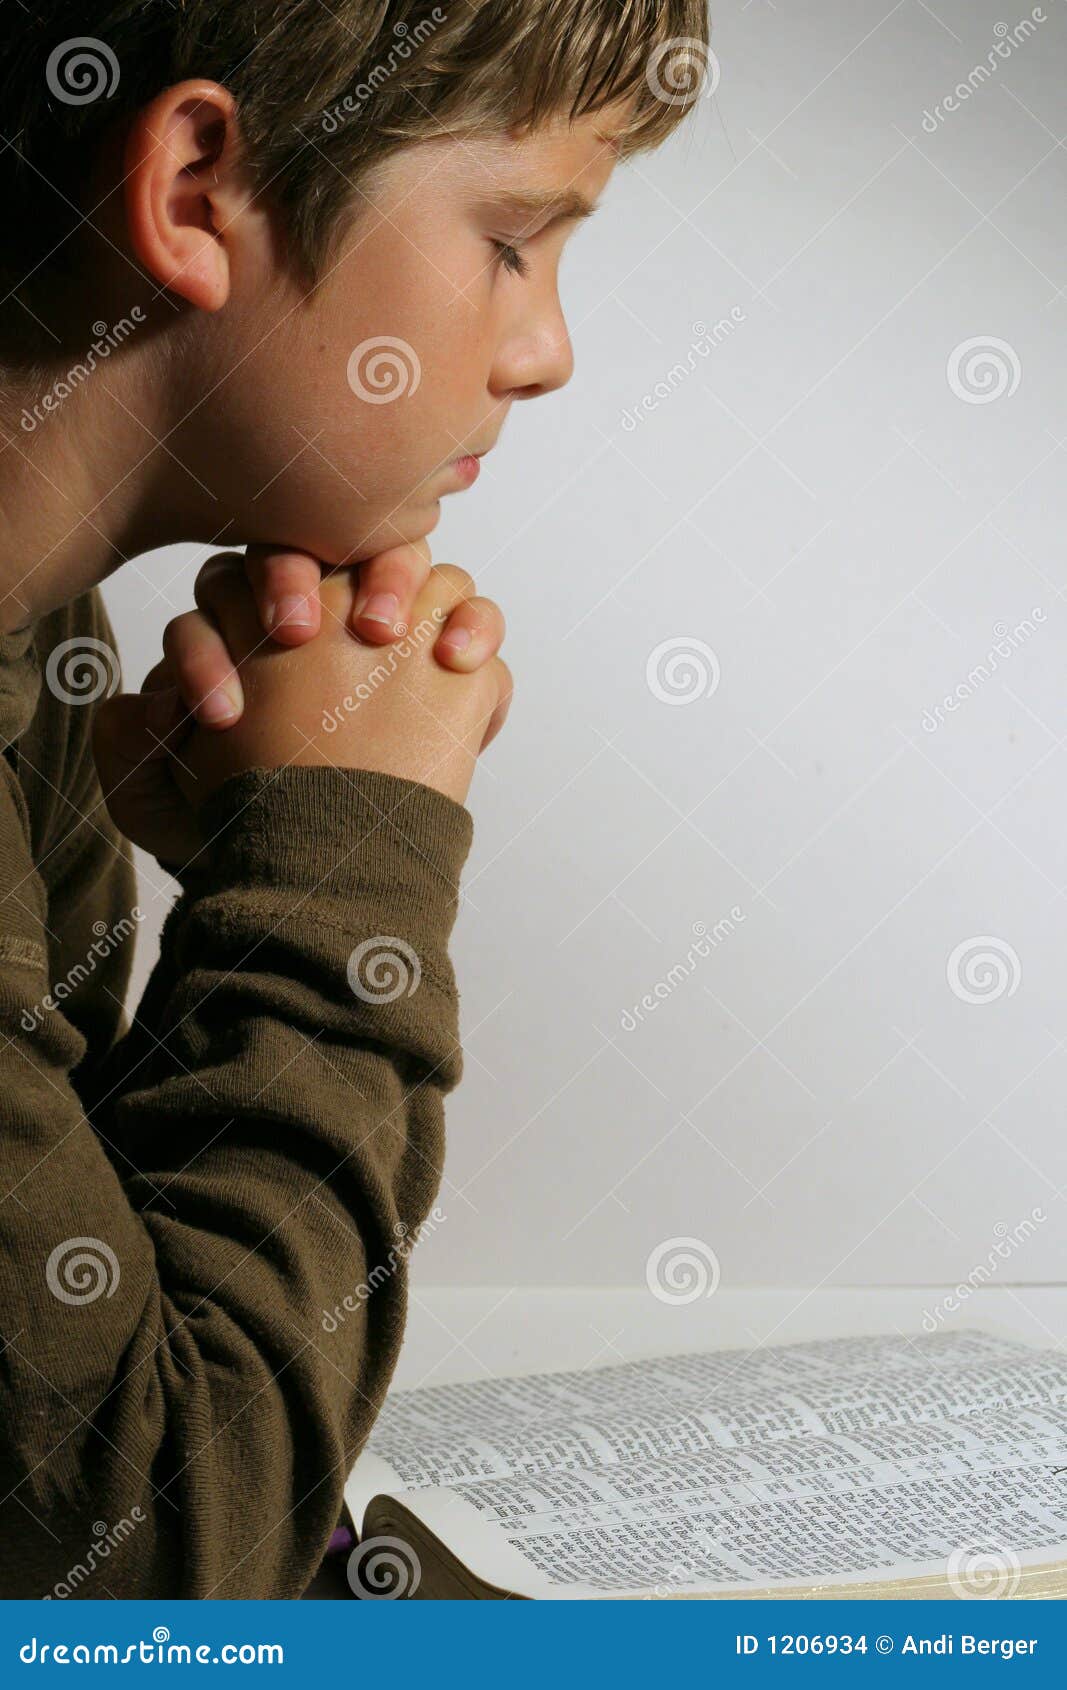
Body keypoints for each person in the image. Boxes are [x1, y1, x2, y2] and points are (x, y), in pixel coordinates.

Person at [0, 3, 709, 1597]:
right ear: (193, 189)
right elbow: (139, 1567)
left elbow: (63, 1375)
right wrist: (335, 881)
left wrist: (249, 901)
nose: (547, 350)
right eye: (516, 240)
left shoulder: (35, 635)